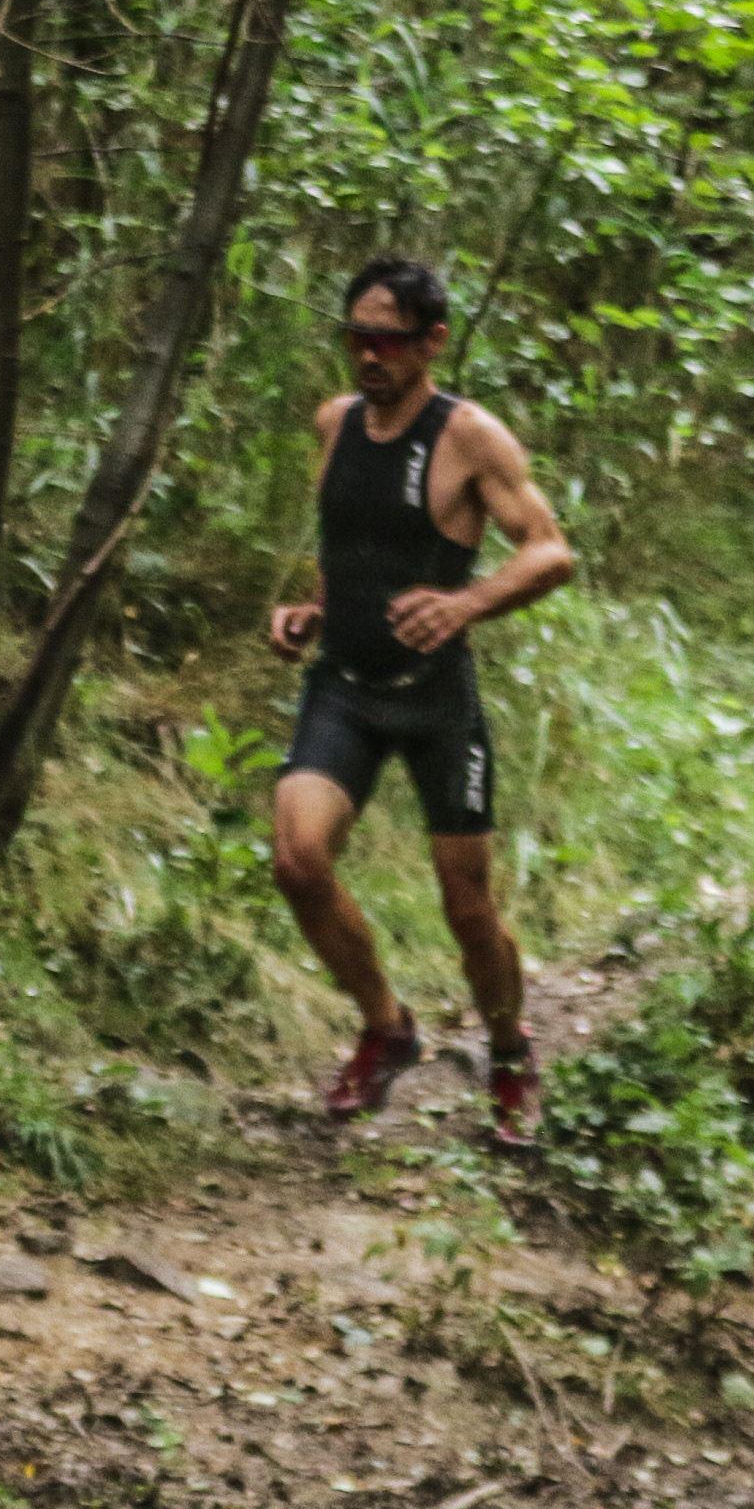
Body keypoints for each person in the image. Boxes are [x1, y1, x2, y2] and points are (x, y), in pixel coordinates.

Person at [264, 253, 579, 1149]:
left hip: (436, 701)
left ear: (431, 341)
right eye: (357, 337)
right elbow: (346, 543)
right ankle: (385, 1026)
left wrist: (469, 602)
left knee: (468, 908)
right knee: (296, 858)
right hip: (346, 688)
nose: (369, 355)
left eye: (389, 339)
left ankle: (511, 1053)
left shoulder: (469, 435)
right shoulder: (333, 422)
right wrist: (311, 611)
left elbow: (550, 550)